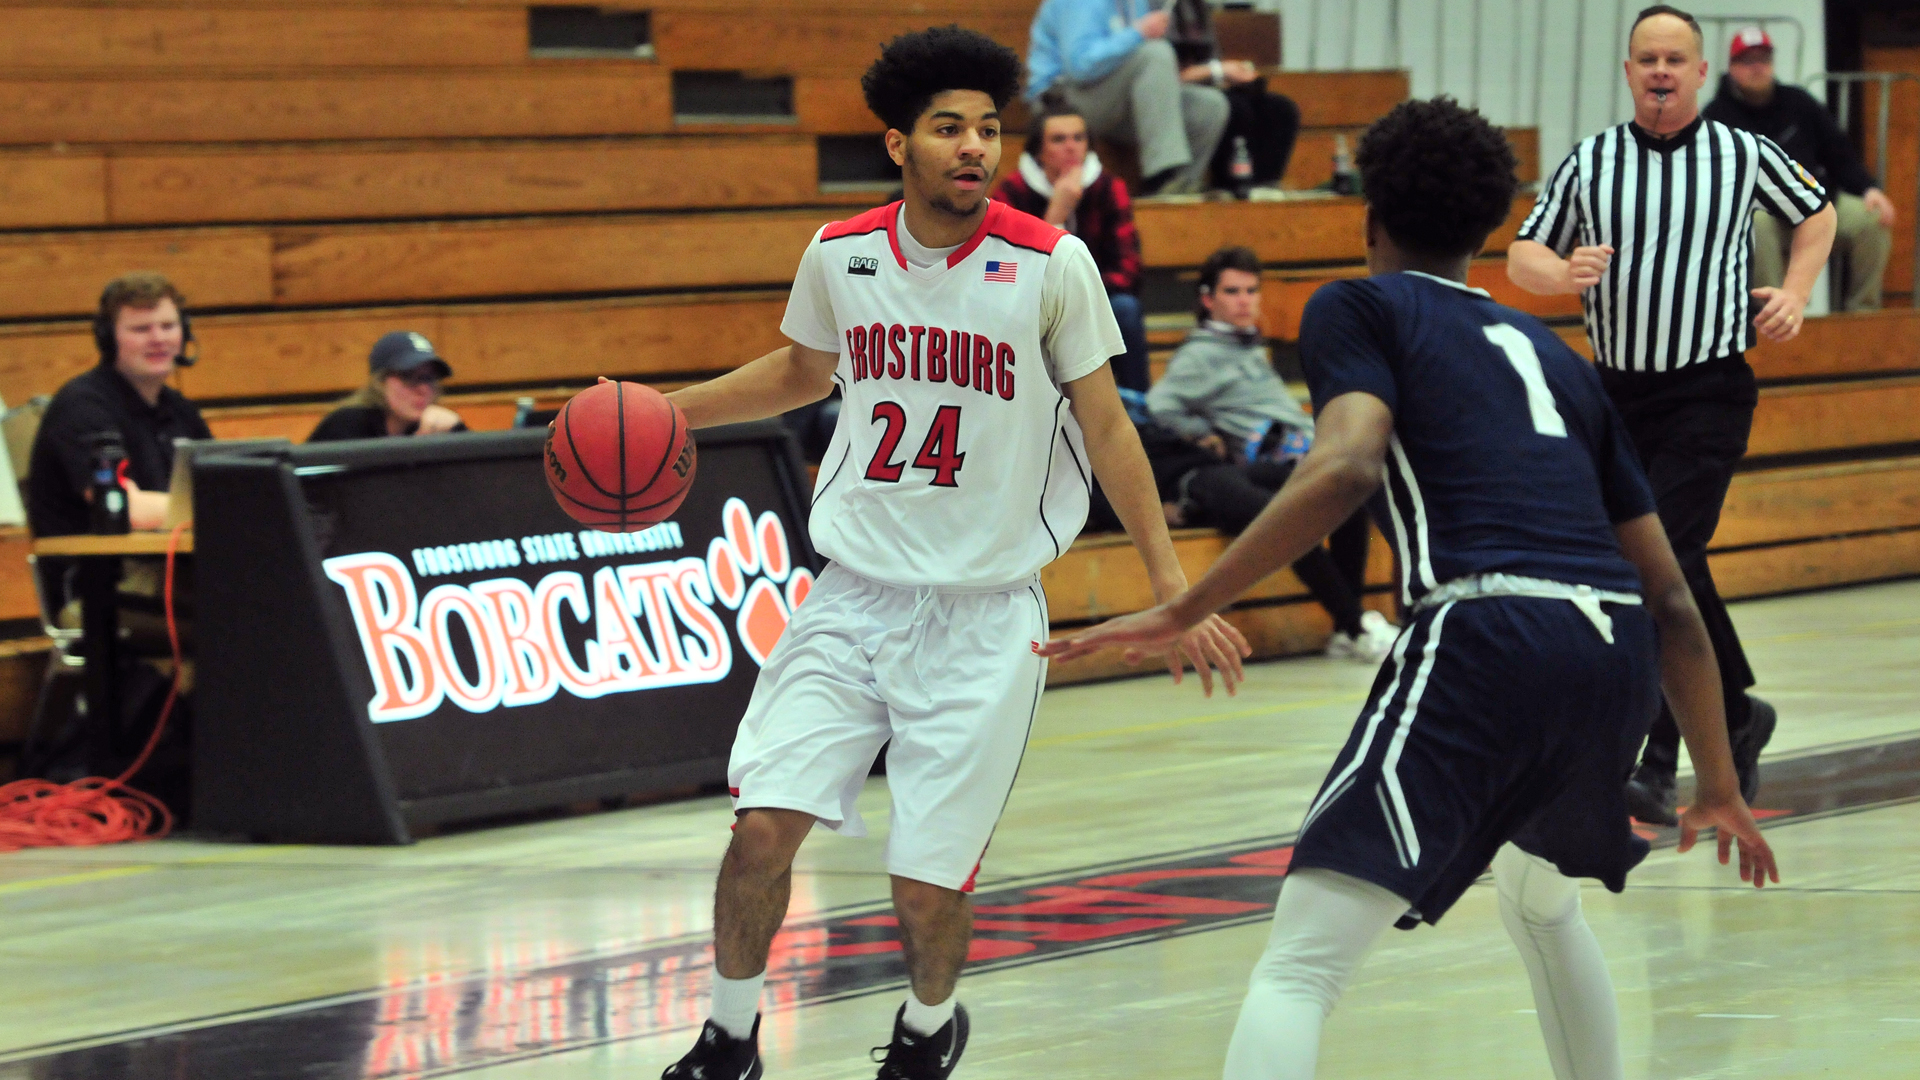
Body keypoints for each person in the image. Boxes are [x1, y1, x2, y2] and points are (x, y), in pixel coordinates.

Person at [1043, 95, 1779, 1080]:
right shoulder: (1561, 361)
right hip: (1612, 651)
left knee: (1301, 962)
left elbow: (1345, 468)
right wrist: (1718, 784)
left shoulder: (1359, 304)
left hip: (1490, 628)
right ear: (1488, 229)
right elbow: (1674, 599)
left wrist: (1187, 603)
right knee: (1540, 905)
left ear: (1369, 218)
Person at [655, 27, 1248, 1080]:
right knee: (758, 834)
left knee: (924, 885)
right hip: (851, 596)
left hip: (981, 619)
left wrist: (1173, 589)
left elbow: (1109, 429)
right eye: (948, 129)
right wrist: (666, 413)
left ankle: (930, 1034)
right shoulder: (842, 252)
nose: (974, 146)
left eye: (987, 129)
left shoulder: (1049, 263)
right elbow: (803, 371)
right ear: (899, 146)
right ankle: (727, 1037)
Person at [1507, 4, 1835, 825]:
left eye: (1674, 60)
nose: (1660, 71)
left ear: (1699, 74)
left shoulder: (1742, 152)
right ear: (1628, 73)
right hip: (1616, 398)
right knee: (1669, 568)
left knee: (1657, 565)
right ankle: (1734, 717)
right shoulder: (1591, 161)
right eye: (1646, 58)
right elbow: (1522, 252)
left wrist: (1795, 294)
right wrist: (1559, 274)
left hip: (1708, 390)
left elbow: (1819, 212)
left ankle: (1657, 761)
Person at [1149, 245, 1396, 663]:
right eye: (1232, 291)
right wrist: (1204, 433)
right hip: (1263, 466)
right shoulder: (1200, 355)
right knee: (1302, 511)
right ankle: (1357, 623)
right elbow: (1160, 405)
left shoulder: (1245, 345)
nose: (1245, 300)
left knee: (1353, 498)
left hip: (1295, 456)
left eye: (1251, 290)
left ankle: (1345, 629)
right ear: (1208, 300)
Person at [1705, 25, 1896, 311]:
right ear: (1731, 67)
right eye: (1747, 60)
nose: (1757, 67)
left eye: (1764, 59)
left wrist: (1868, 188)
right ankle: (1775, 313)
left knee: (1871, 220)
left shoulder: (1799, 102)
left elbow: (1839, 151)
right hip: (1762, 212)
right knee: (1754, 225)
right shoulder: (1716, 116)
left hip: (1815, 206)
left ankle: (1863, 316)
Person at [27, 272, 211, 538]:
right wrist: (219, 507)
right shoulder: (80, 406)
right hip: (100, 572)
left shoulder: (180, 409)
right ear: (109, 339)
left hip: (168, 561)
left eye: (168, 326)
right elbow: (124, 507)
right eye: (141, 329)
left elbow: (217, 484)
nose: (158, 339)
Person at [994, 103, 1150, 392]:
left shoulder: (1109, 188)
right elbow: (1006, 272)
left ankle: (1140, 409)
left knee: (1126, 309)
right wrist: (1055, 216)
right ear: (1038, 150)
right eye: (1059, 139)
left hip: (1100, 300)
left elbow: (1129, 270)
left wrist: (1080, 294)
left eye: (1079, 138)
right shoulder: (1012, 192)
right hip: (1034, 303)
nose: (1071, 147)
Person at [1025, 0, 1229, 195]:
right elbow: (1080, 67)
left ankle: (1178, 188)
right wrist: (1138, 33)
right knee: (1155, 54)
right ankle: (1161, 176)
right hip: (1062, 102)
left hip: (1111, 100)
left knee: (1209, 105)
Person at [1167, 0, 1301, 190]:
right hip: (1175, 92)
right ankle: (1230, 186)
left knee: (1280, 108)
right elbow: (1166, 76)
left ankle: (1264, 189)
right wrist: (1218, 70)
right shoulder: (1157, 8)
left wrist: (1235, 76)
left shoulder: (1199, 8)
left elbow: (1211, 62)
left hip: (1206, 85)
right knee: (1236, 109)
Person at [307, 331, 466, 442]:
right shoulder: (346, 426)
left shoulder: (441, 427)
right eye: (408, 376)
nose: (423, 389)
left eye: (429, 378)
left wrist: (459, 431)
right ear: (380, 382)